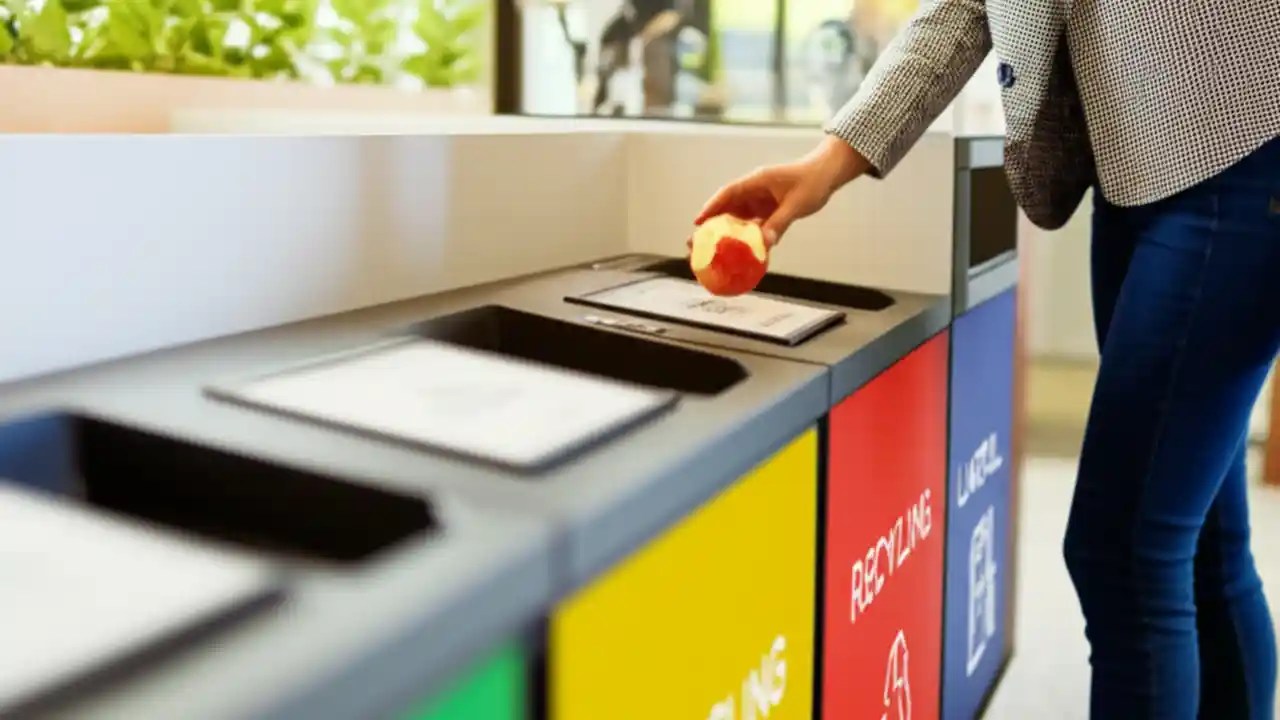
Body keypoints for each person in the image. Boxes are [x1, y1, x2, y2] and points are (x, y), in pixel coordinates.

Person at [695, 2, 1280, 718]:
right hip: (1136, 177)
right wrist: (829, 162)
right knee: (1203, 547)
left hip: (1248, 158)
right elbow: (968, 8)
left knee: (1124, 551)